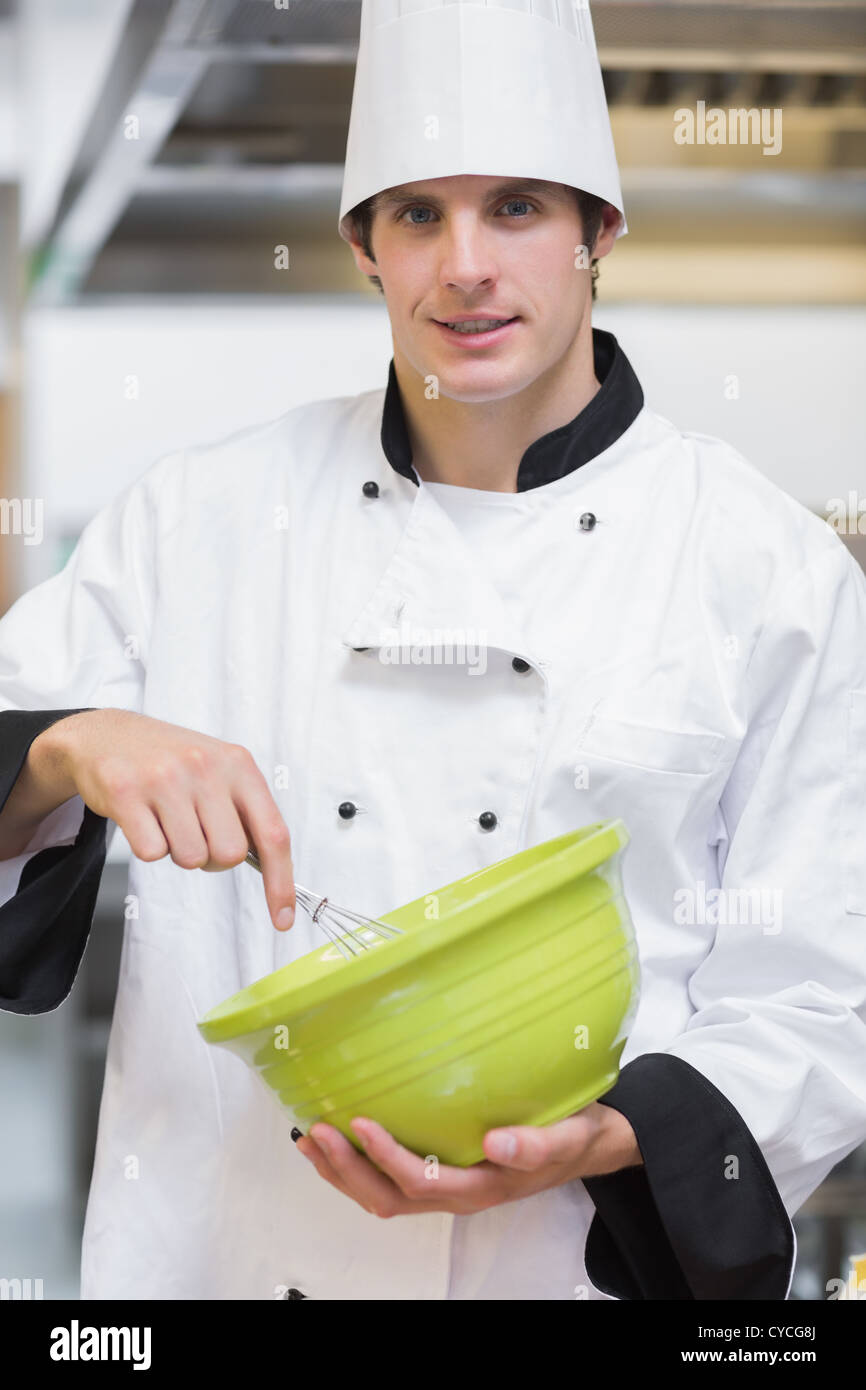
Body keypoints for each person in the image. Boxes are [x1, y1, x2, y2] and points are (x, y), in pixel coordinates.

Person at [1, 0, 865, 1301]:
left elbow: (819, 991)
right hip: (221, 1263)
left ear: (597, 234)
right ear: (363, 246)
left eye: (515, 206)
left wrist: (608, 1134)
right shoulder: (200, 520)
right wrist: (66, 750)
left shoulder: (763, 568)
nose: (464, 264)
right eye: (417, 213)